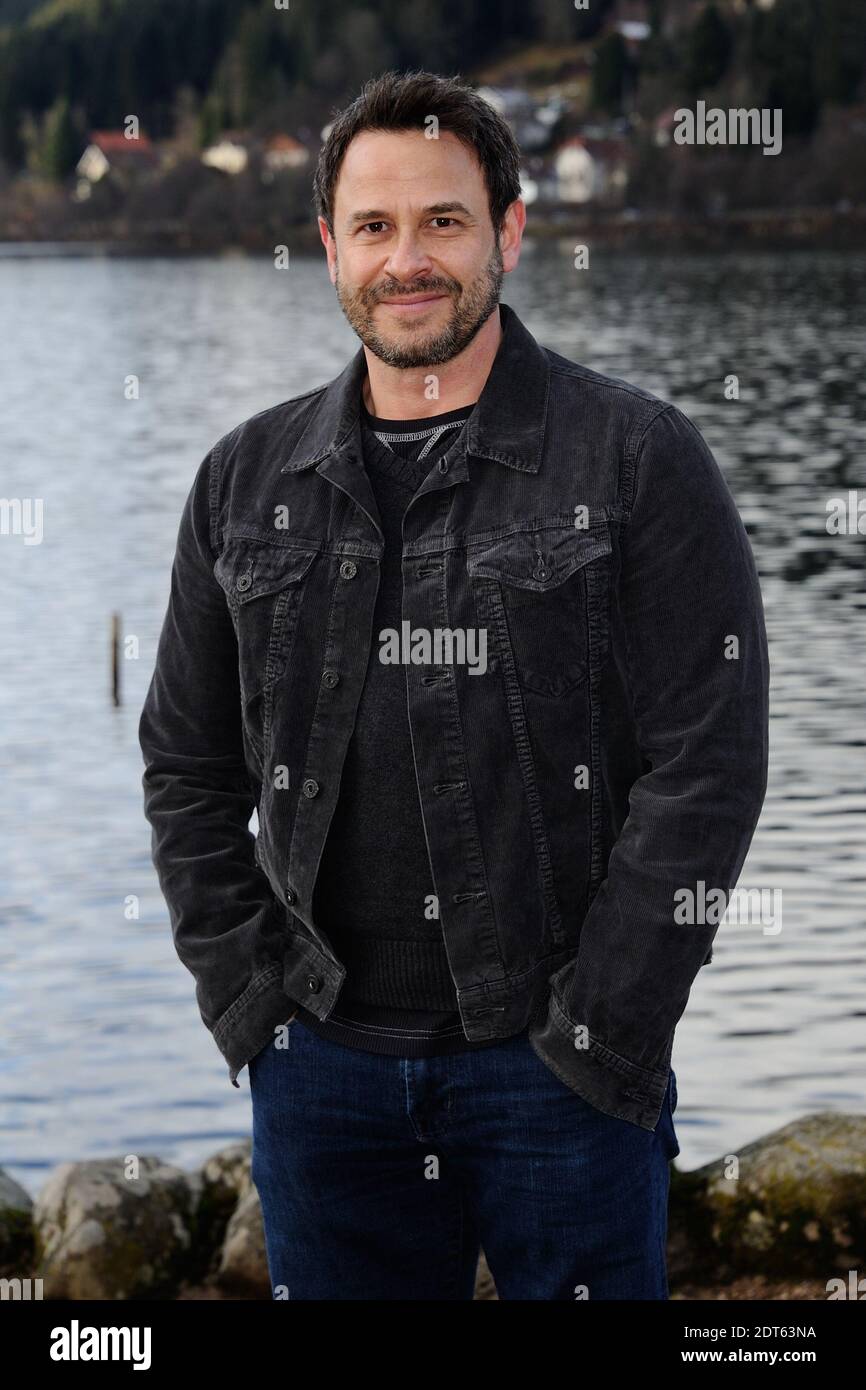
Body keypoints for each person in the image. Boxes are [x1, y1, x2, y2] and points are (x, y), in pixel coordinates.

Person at [138, 70, 770, 1300]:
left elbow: (710, 765)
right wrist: (251, 1007)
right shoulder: (240, 480)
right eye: (372, 227)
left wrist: (604, 1027)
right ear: (327, 246)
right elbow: (183, 764)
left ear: (510, 232)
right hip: (320, 1074)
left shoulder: (635, 459)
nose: (405, 259)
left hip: (558, 1073)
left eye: (442, 221)